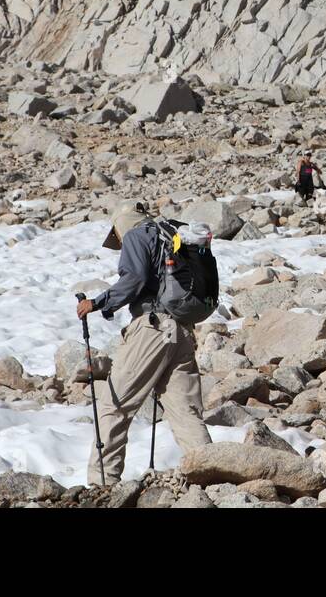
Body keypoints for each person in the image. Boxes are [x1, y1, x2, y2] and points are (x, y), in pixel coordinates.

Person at [77, 200, 211, 486]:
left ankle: (102, 483)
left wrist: (98, 303)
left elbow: (135, 278)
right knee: (185, 412)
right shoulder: (171, 235)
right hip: (182, 331)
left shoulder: (137, 235)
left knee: (115, 404)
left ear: (120, 226)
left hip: (152, 329)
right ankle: (213, 476)